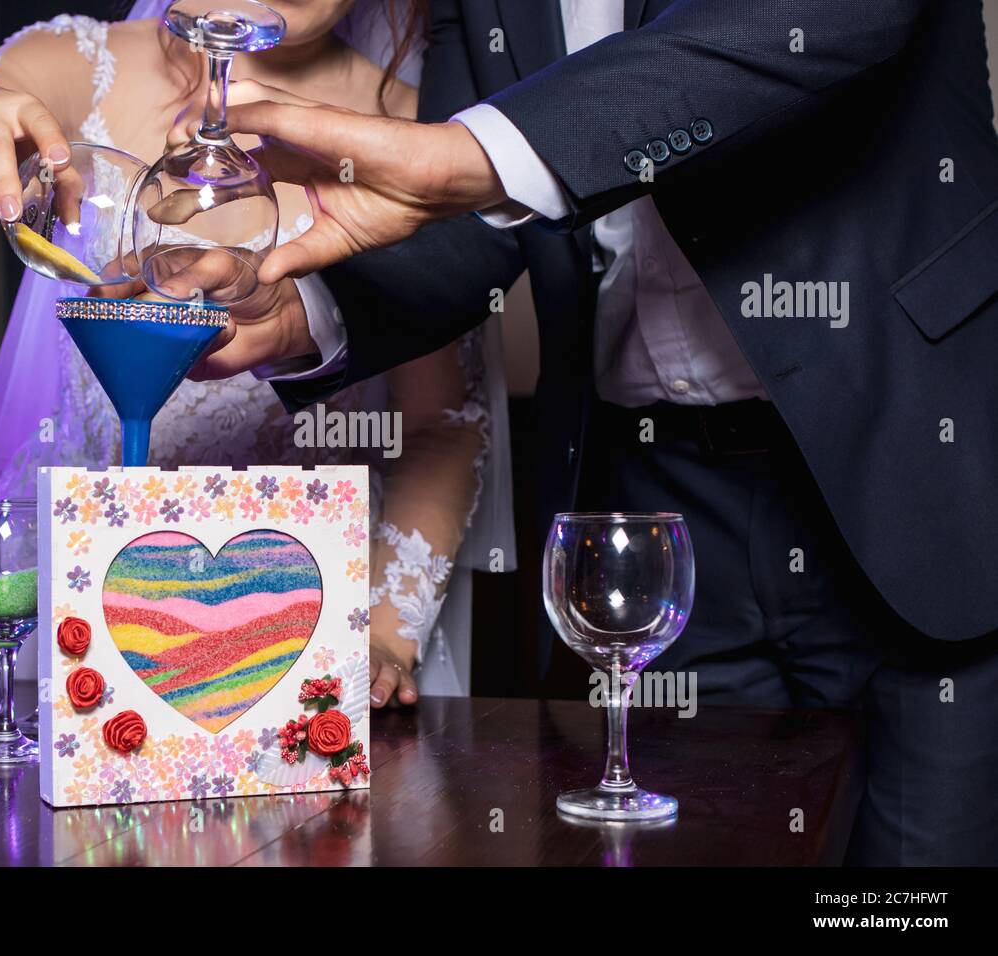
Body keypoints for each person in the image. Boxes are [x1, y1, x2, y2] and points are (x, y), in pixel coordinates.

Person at [181, 0, 998, 866]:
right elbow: (473, 210)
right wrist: (305, 312)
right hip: (658, 514)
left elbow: (812, 22)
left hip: (917, 465)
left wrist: (464, 155)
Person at [0, 0, 518, 709]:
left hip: (295, 619)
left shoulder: (418, 133)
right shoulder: (80, 67)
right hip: (69, 594)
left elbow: (445, 421)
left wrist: (385, 635)